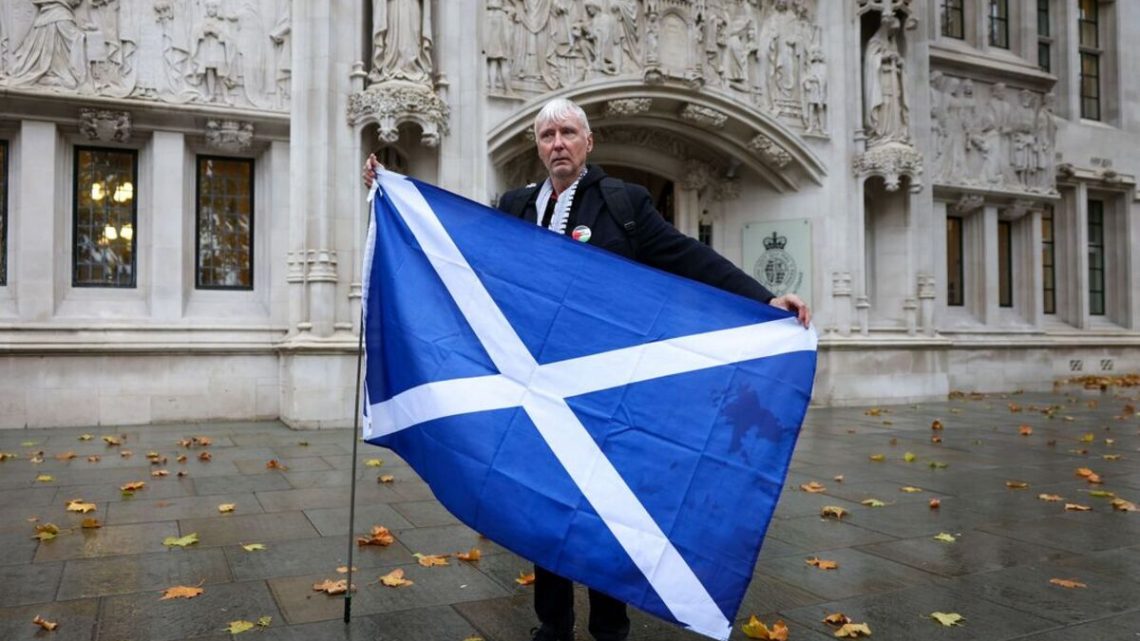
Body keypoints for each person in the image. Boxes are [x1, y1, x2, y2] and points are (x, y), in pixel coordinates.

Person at [364, 97, 810, 641]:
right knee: (541, 507)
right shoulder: (514, 205)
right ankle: (552, 625)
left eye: (568, 133)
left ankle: (609, 626)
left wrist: (763, 300)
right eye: (548, 135)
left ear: (588, 142)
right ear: (538, 145)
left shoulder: (622, 201)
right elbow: (461, 249)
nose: (558, 144)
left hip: (603, 388)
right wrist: (394, 189)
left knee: (602, 513)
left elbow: (686, 255)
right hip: (531, 385)